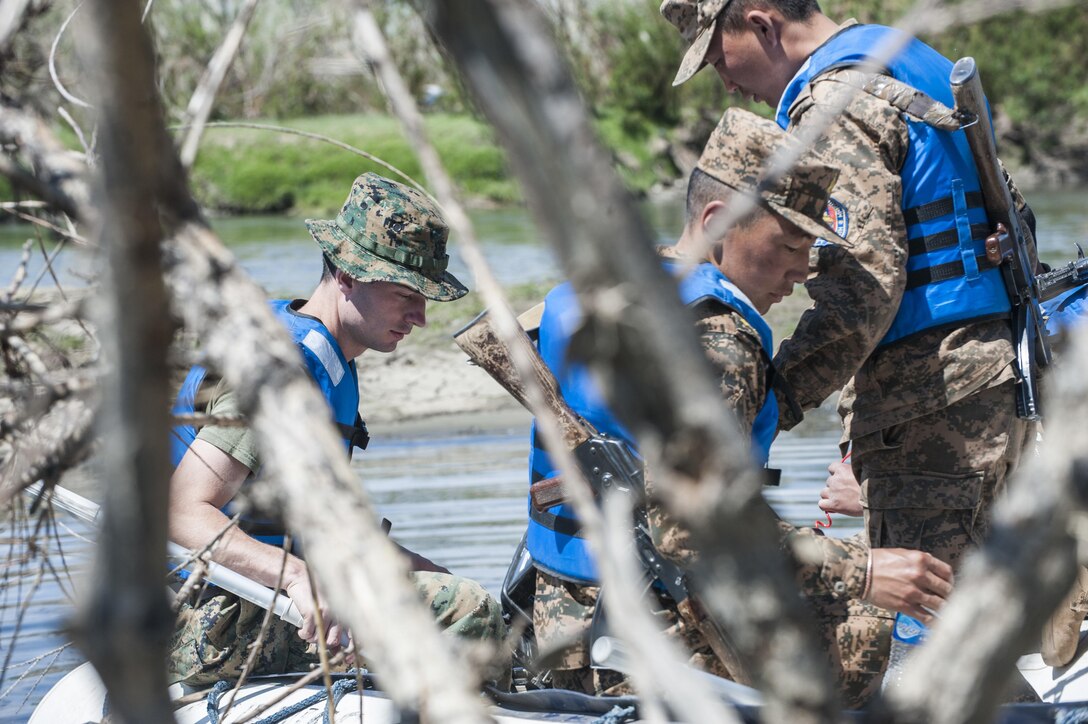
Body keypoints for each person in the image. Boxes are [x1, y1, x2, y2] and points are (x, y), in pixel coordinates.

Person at [527, 108, 952, 707]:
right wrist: (864, 571)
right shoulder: (720, 337)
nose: (802, 273)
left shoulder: (590, 291)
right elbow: (691, 532)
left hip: (563, 621)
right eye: (788, 244)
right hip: (657, 638)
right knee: (921, 635)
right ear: (718, 221)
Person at [662, 0, 1039, 573]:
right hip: (994, 373)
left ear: (761, 24)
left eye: (719, 59)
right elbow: (1010, 223)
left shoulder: (831, 103)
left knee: (928, 636)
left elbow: (863, 285)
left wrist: (770, 400)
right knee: (967, 618)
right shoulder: (913, 60)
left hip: (929, 401)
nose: (729, 86)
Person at [166, 173, 505, 687]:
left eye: (425, 297)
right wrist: (299, 576)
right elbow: (181, 512)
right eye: (404, 294)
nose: (420, 318)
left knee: (458, 592)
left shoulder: (330, 361)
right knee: (466, 610)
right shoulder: (275, 369)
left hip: (260, 599)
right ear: (347, 274)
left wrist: (434, 572)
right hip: (204, 621)